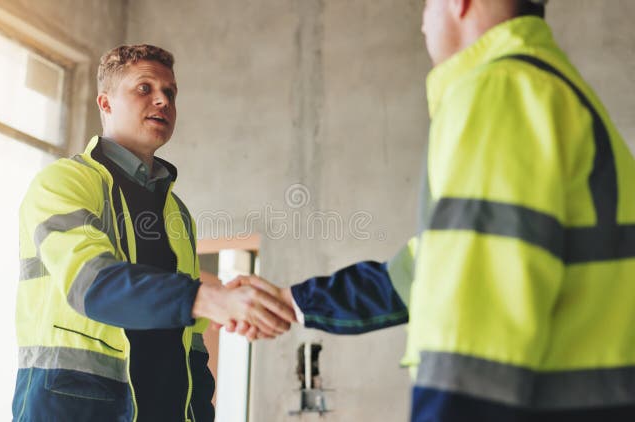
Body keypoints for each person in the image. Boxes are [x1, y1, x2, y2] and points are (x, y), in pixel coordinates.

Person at [237, 0, 635, 420]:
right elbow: (418, 274)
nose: (424, 22)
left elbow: (474, 333)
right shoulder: (554, 92)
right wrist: (289, 301)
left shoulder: (499, 92)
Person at [12, 44, 296, 422]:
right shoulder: (63, 183)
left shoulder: (176, 211)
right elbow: (91, 284)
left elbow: (183, 334)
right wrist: (207, 298)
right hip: (74, 411)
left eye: (171, 92)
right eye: (144, 88)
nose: (163, 99)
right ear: (106, 103)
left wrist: (218, 306)